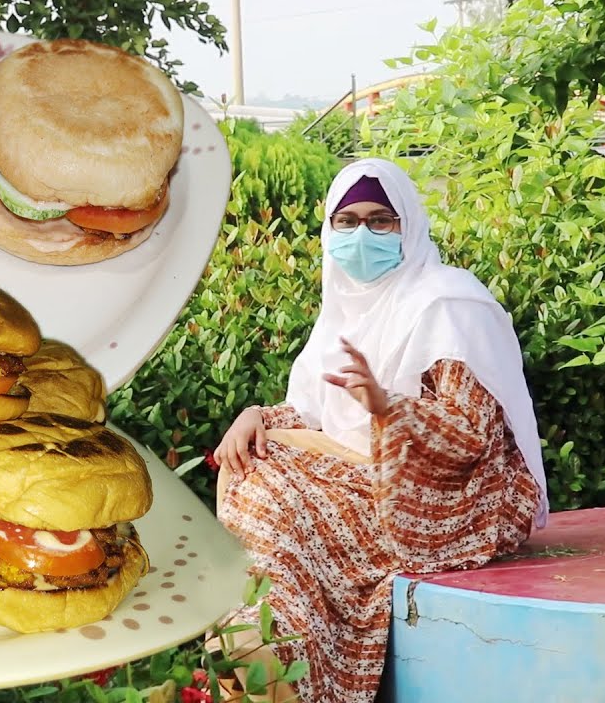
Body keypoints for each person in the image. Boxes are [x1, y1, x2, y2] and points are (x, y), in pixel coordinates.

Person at [212, 158, 549, 703]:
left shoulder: (446, 301)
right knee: (254, 471)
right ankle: (263, 646)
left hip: (452, 500)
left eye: (380, 220)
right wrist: (257, 415)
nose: (361, 235)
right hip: (360, 476)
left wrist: (388, 406)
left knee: (270, 495)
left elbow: (473, 434)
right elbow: (318, 416)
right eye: (346, 221)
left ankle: (281, 662)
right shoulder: (342, 311)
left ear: (408, 226)